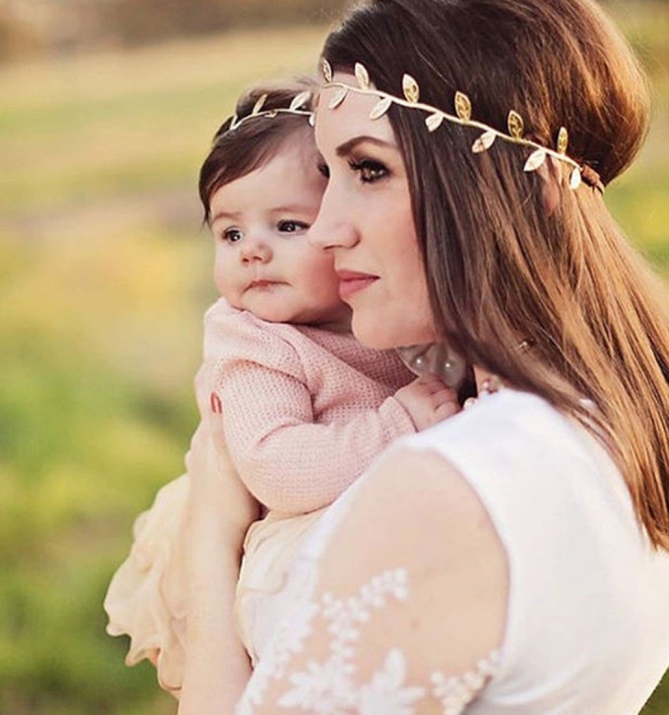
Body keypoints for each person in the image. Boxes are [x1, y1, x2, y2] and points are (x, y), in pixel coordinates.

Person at [189, 0, 669, 713]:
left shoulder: (444, 489)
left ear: (521, 192)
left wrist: (208, 535)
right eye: (327, 172)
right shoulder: (617, 405)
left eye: (369, 170)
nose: (323, 228)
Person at [104, 80, 462, 708]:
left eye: (288, 224)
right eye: (230, 233)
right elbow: (278, 467)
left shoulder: (368, 315)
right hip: (265, 566)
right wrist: (395, 425)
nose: (254, 251)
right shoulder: (253, 344)